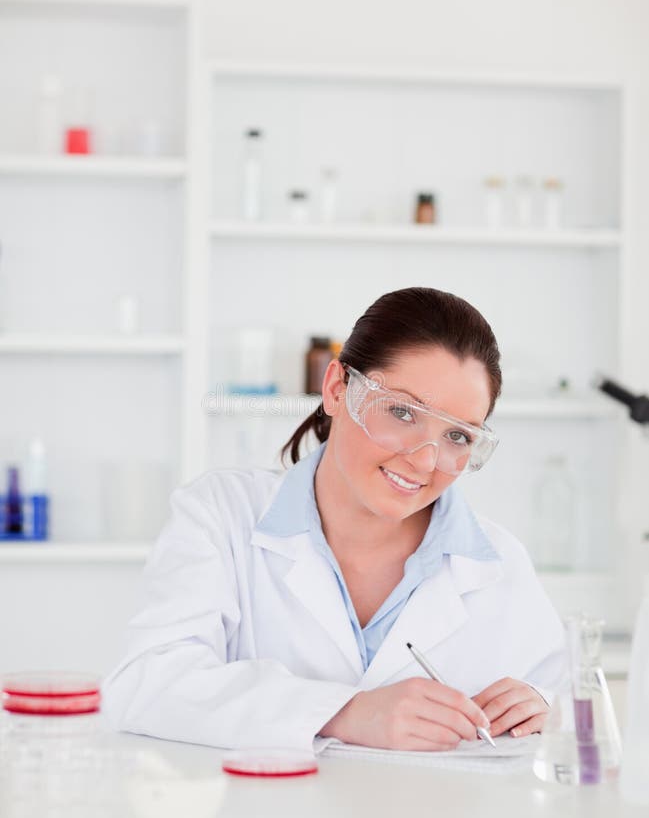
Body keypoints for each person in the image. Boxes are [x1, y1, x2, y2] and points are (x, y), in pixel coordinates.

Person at [103, 287, 565, 753]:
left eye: (458, 436)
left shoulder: (500, 561)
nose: (426, 461)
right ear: (336, 390)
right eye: (403, 412)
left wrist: (547, 708)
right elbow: (147, 683)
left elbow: (569, 697)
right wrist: (345, 712)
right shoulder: (222, 514)